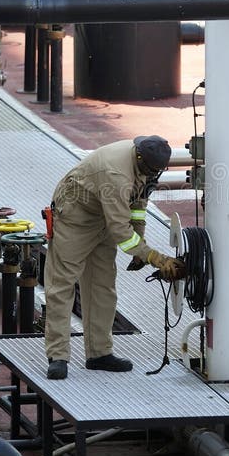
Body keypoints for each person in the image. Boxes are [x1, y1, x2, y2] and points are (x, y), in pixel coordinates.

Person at [43, 135, 185, 379]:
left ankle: (99, 353)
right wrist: (154, 257)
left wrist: (141, 246)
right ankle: (58, 356)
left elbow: (138, 207)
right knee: (61, 285)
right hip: (75, 218)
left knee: (102, 286)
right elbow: (121, 232)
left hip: (104, 217)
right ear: (139, 158)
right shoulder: (116, 175)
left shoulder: (144, 167)